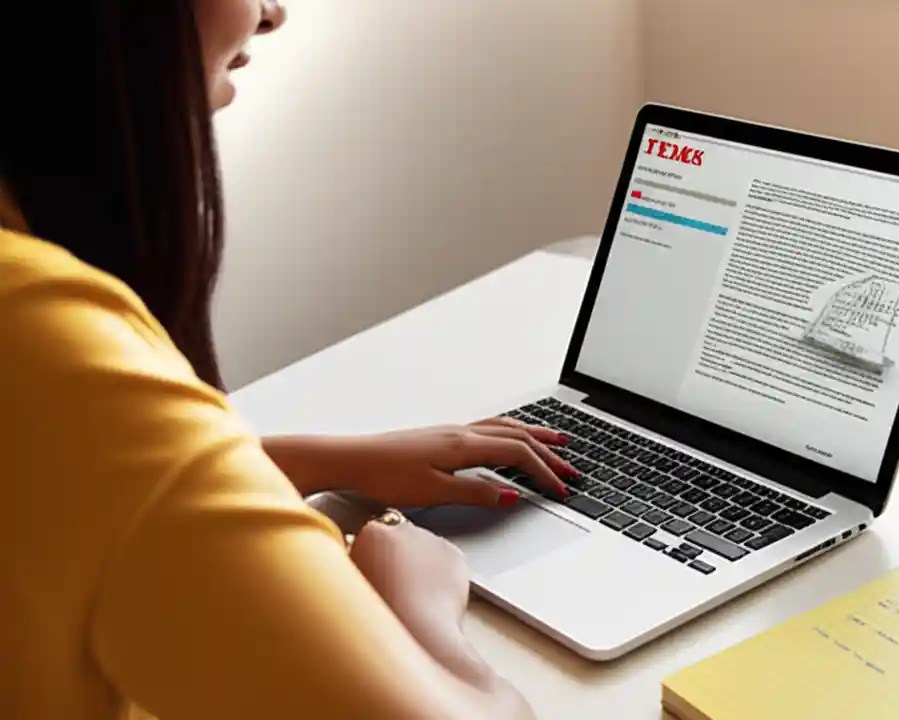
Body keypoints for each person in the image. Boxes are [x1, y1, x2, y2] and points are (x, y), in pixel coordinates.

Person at [0, 2, 575, 718]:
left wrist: (312, 460)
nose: (272, 12)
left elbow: (59, 486)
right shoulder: (53, 349)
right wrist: (417, 606)